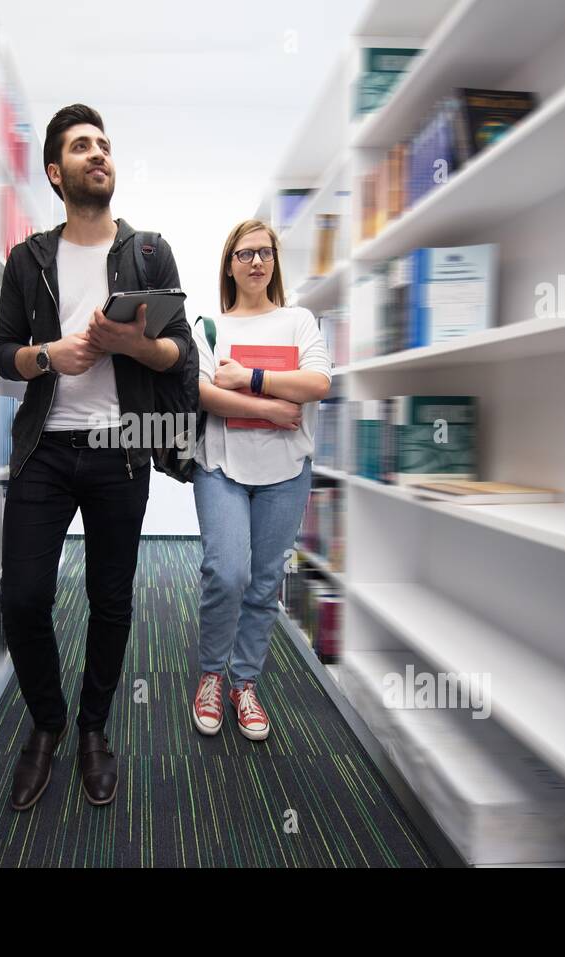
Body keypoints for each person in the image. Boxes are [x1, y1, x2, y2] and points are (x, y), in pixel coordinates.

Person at [0, 104, 192, 809]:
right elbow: (3, 357)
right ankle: (47, 721)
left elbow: (180, 357)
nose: (98, 153)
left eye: (104, 143)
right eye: (82, 146)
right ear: (56, 171)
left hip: (121, 449)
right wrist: (52, 354)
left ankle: (95, 728)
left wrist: (129, 345)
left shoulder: (148, 251)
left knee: (111, 599)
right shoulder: (28, 259)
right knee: (22, 598)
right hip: (44, 449)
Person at [189, 220, 331, 740]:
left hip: (286, 471)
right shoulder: (209, 326)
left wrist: (247, 379)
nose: (256, 262)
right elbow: (204, 394)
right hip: (220, 464)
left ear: (274, 261)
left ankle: (243, 682)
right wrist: (275, 408)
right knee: (227, 573)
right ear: (229, 264)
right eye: (244, 253)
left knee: (266, 582)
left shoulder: (299, 320)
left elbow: (316, 383)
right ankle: (211, 673)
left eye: (264, 253)